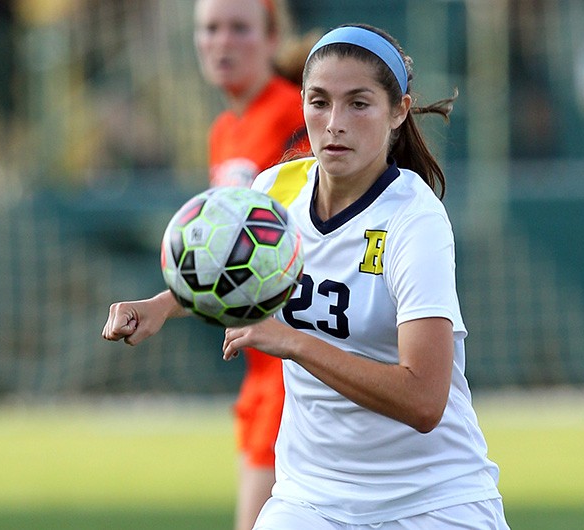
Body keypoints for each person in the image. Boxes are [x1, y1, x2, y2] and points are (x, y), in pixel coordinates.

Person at [104, 22, 510, 530]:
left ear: (399, 111)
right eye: (319, 102)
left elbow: (424, 401)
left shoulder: (415, 219)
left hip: (430, 503)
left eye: (358, 104)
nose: (334, 123)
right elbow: (227, 270)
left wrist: (294, 343)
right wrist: (160, 306)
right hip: (311, 500)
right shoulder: (275, 188)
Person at [106, 2, 311, 529]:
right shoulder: (225, 129)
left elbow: (301, 241)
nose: (222, 42)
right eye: (210, 29)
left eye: (239, 28)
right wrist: (162, 305)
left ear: (271, 38)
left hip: (300, 363)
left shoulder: (293, 114)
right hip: (260, 363)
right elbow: (234, 261)